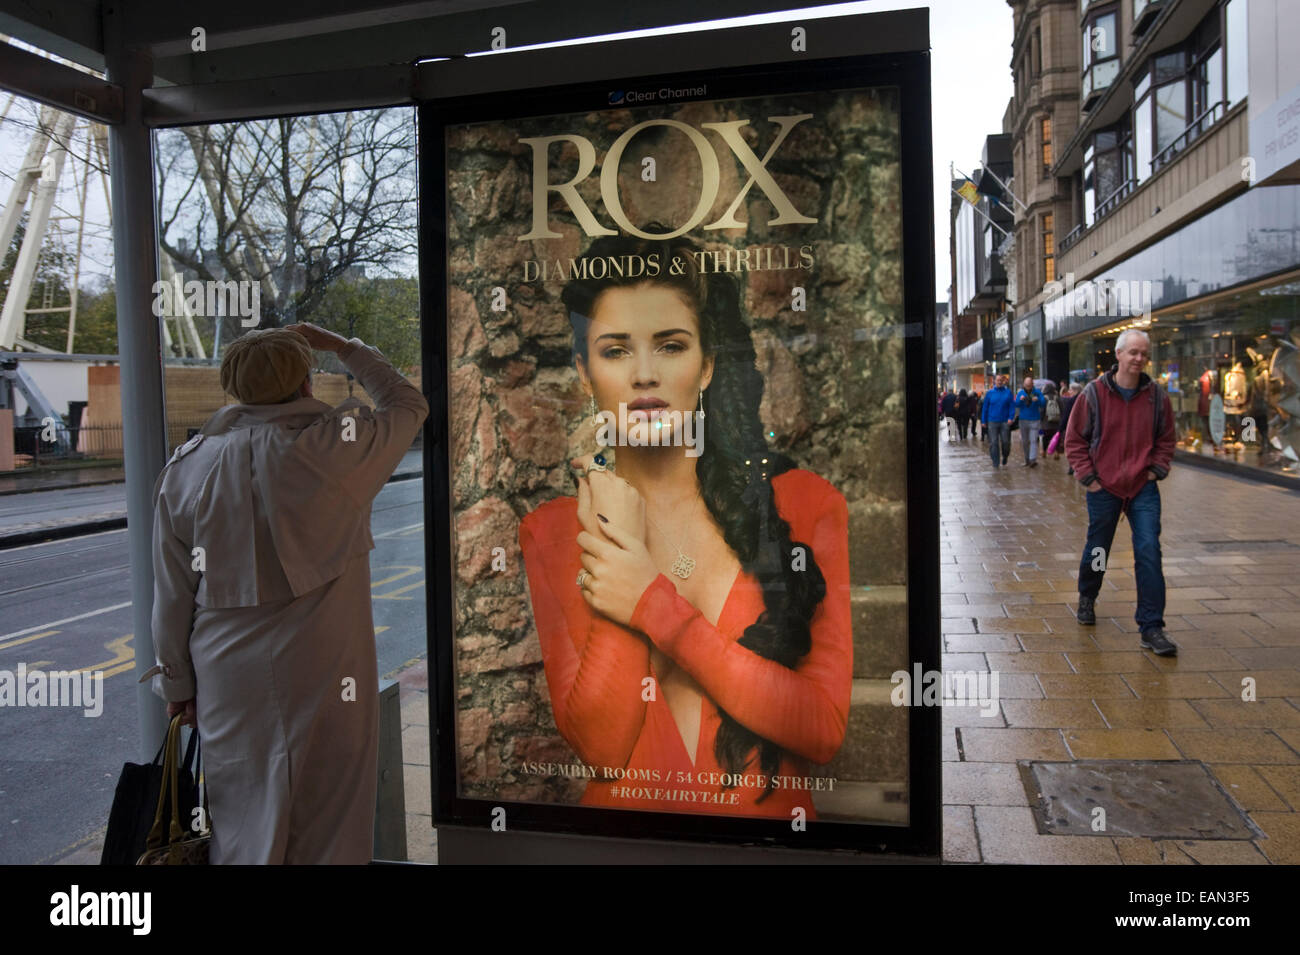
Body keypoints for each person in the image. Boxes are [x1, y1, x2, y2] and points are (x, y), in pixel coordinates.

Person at [518, 232, 852, 820]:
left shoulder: (804, 504)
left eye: (670, 346)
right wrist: (613, 531)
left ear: (707, 367)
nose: (644, 373)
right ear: (583, 372)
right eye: (616, 350)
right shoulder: (549, 531)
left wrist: (652, 604)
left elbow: (822, 728)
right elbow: (604, 751)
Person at [147, 325, 429, 863]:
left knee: (241, 817)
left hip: (227, 673)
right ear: (306, 381)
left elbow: (172, 589)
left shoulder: (186, 468)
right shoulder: (339, 447)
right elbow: (406, 401)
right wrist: (346, 346)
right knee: (331, 814)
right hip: (325, 665)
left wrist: (178, 684)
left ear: (232, 387)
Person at [1064, 328, 1177, 656]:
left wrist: (1156, 470)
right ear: (1118, 355)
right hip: (1105, 486)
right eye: (1133, 352)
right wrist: (1089, 478)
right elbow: (1075, 440)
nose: (1139, 359)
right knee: (1098, 549)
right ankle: (1088, 596)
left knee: (1148, 551)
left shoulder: (1156, 396)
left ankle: (1152, 626)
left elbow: (1166, 438)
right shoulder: (1094, 394)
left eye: (1144, 353)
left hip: (1142, 486)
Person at [981, 374, 1014, 468]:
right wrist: (983, 421)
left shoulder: (1008, 393)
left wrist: (1011, 418)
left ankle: (1005, 456)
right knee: (993, 442)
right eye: (998, 380)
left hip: (1005, 421)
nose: (999, 382)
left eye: (1001, 380)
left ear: (1003, 381)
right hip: (992, 421)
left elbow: (1012, 406)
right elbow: (985, 408)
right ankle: (995, 461)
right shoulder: (990, 393)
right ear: (994, 381)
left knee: (1005, 442)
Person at [1014, 375, 1045, 467]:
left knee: (1033, 440)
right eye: (1026, 385)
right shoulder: (1021, 393)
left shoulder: (1037, 392)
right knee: (1024, 441)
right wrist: (1020, 400)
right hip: (1023, 420)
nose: (1028, 387)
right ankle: (1027, 459)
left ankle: (1032, 460)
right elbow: (1016, 405)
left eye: (1030, 385)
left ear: (1032, 384)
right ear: (1024, 384)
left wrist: (1038, 400)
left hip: (1034, 420)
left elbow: (1043, 403)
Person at [1058, 382, 1081, 466]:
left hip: (1072, 426)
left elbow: (1066, 416)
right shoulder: (1084, 399)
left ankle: (1072, 466)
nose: (1069, 391)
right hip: (1082, 426)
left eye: (1070, 390)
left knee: (1072, 446)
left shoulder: (1071, 401)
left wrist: (1060, 429)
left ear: (1075, 391)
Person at [1040, 383, 1062, 457]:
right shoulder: (1057, 398)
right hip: (1056, 421)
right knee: (1056, 436)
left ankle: (1044, 451)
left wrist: (1041, 419)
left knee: (1045, 437)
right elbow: (1062, 409)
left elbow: (1042, 410)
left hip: (1046, 422)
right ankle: (1056, 452)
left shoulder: (1044, 398)